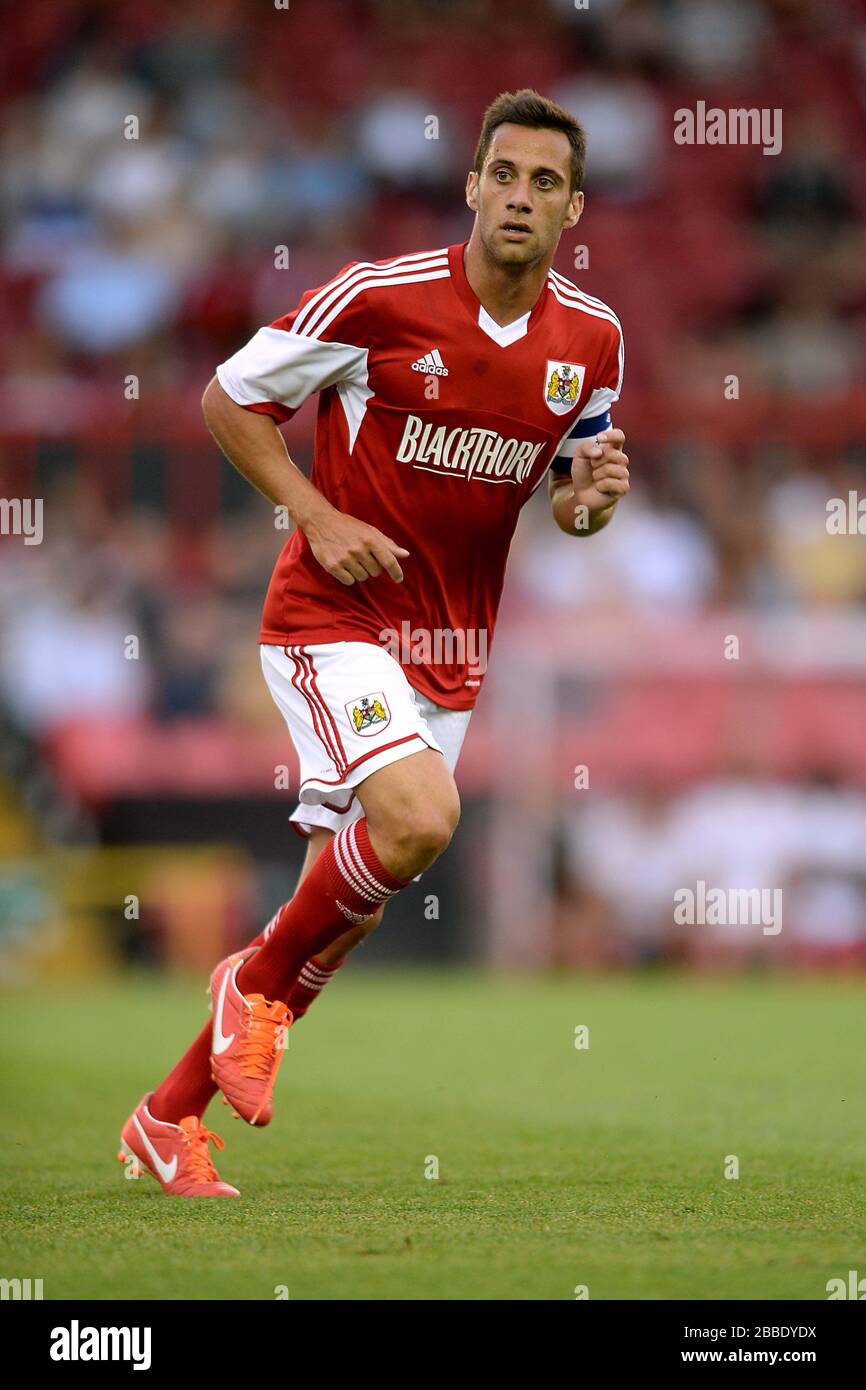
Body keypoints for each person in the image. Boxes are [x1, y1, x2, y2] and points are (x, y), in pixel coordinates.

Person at [118, 88, 629, 1197]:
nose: (519, 198)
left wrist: (594, 498)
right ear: (472, 184)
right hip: (331, 620)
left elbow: (571, 502)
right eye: (504, 174)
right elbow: (226, 399)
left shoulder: (592, 341)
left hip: (451, 648)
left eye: (544, 184)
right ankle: (243, 994)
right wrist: (315, 511)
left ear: (571, 208)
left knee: (324, 933)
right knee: (420, 819)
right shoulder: (376, 297)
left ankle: (166, 1116)